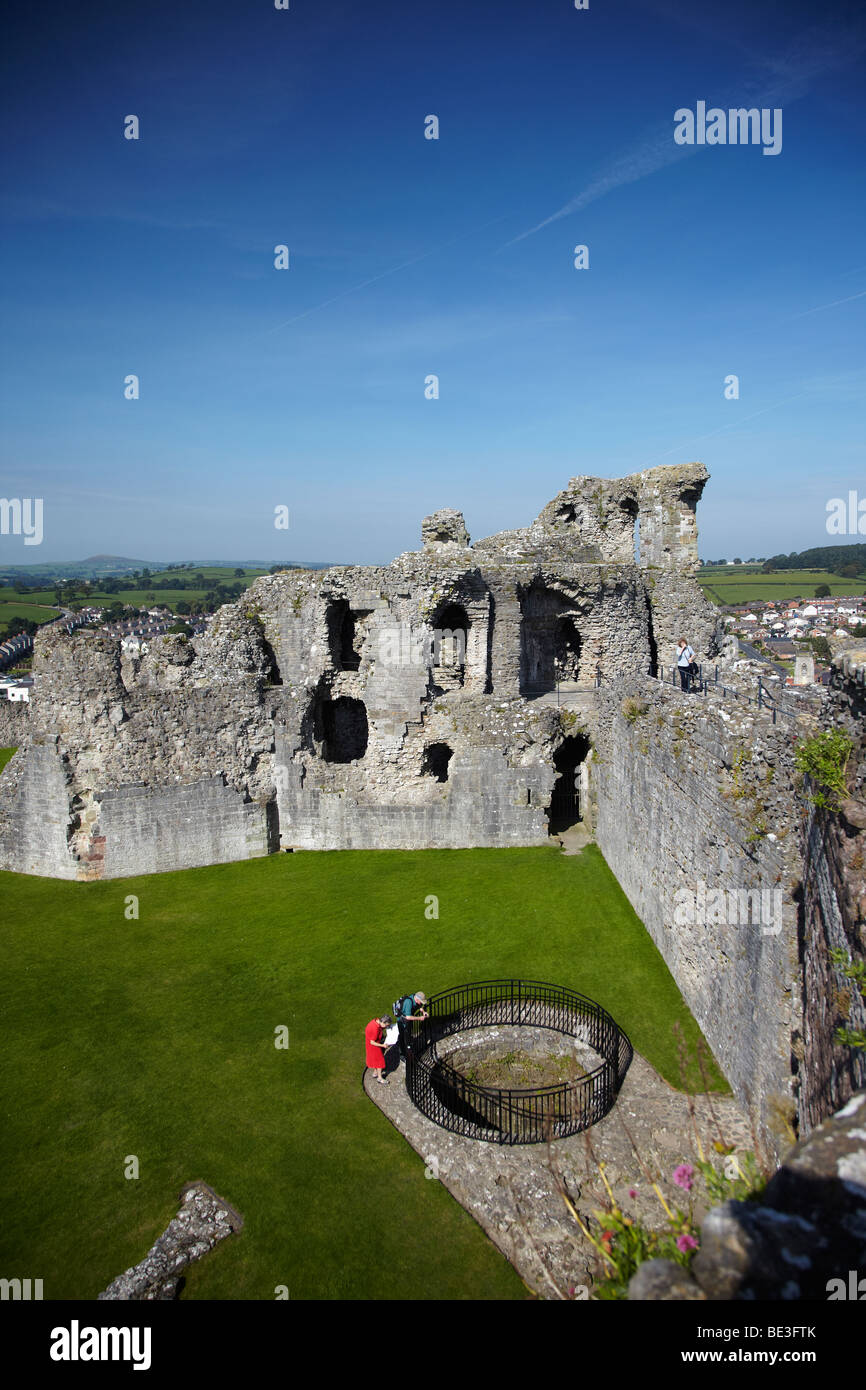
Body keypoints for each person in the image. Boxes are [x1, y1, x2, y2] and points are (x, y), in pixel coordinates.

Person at [394, 991, 429, 1062]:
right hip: (402, 1022)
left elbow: (419, 1007)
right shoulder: (408, 1003)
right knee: (403, 1037)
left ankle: (408, 1045)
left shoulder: (415, 998)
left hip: (407, 1021)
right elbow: (408, 1017)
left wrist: (423, 1012)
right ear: (417, 999)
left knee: (408, 1035)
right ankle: (402, 1054)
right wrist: (420, 1018)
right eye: (421, 1002)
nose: (421, 1004)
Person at [364, 1014, 393, 1085]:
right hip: (374, 1046)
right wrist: (383, 1045)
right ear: (383, 1022)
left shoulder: (376, 1022)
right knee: (380, 1061)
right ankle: (380, 1078)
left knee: (375, 1060)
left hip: (370, 1045)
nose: (387, 1027)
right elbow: (372, 1042)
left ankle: (375, 1072)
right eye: (386, 1025)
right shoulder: (375, 1029)